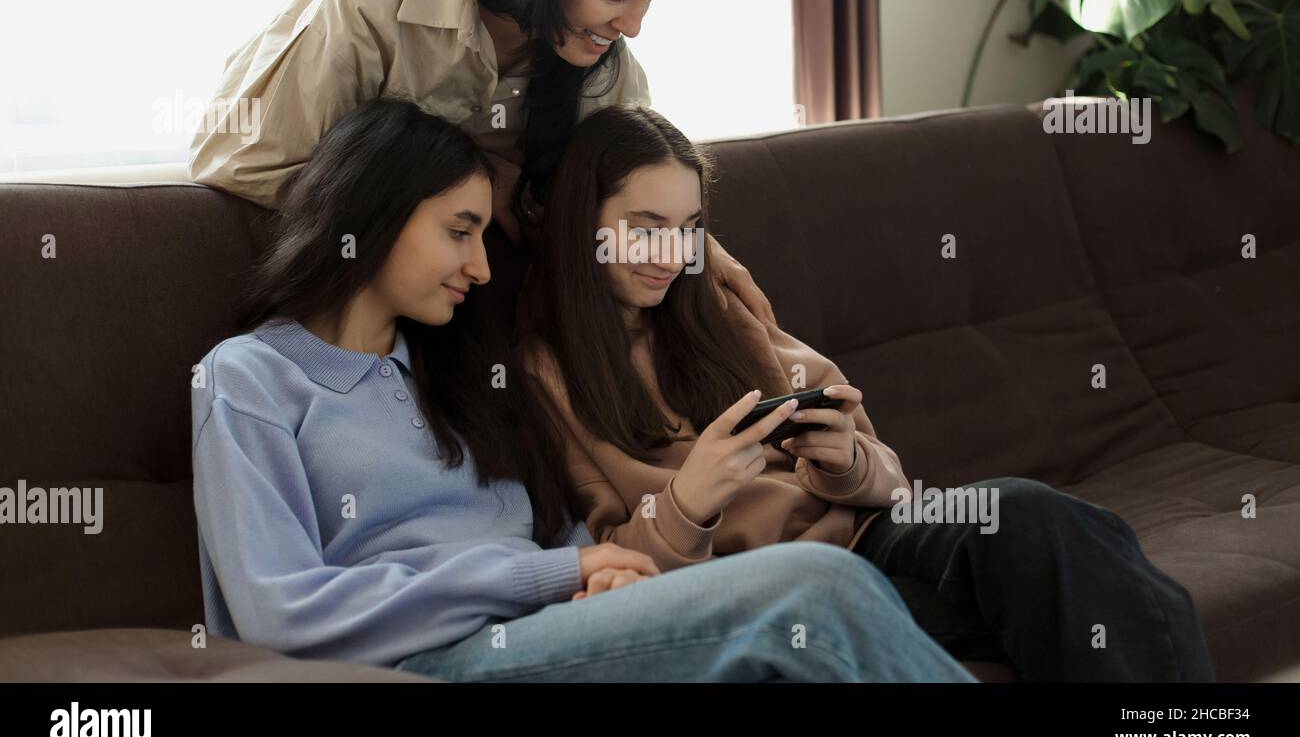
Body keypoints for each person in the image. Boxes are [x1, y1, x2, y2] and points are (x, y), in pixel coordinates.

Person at [190, 95, 979, 682]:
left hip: (561, 621)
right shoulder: (250, 379)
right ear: (372, 217)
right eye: (458, 231)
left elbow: (549, 529)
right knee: (811, 591)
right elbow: (279, 613)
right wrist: (560, 573)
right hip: (427, 662)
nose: (481, 264)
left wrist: (592, 569)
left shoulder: (456, 367)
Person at [514, 104, 1219, 682]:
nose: (674, 256)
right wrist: (688, 501)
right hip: (773, 587)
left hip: (872, 537)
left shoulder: (717, 311)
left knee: (1039, 519)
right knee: (1099, 595)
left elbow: (887, 475)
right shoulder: (541, 376)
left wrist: (846, 459)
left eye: (691, 229)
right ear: (583, 221)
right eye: (647, 228)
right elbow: (604, 565)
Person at [187, 0, 775, 328]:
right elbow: (238, 159)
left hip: (510, 313)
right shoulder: (372, 0)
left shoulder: (602, 59)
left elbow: (637, 179)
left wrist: (697, 249)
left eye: (649, 1)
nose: (633, 27)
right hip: (367, 302)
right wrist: (443, 199)